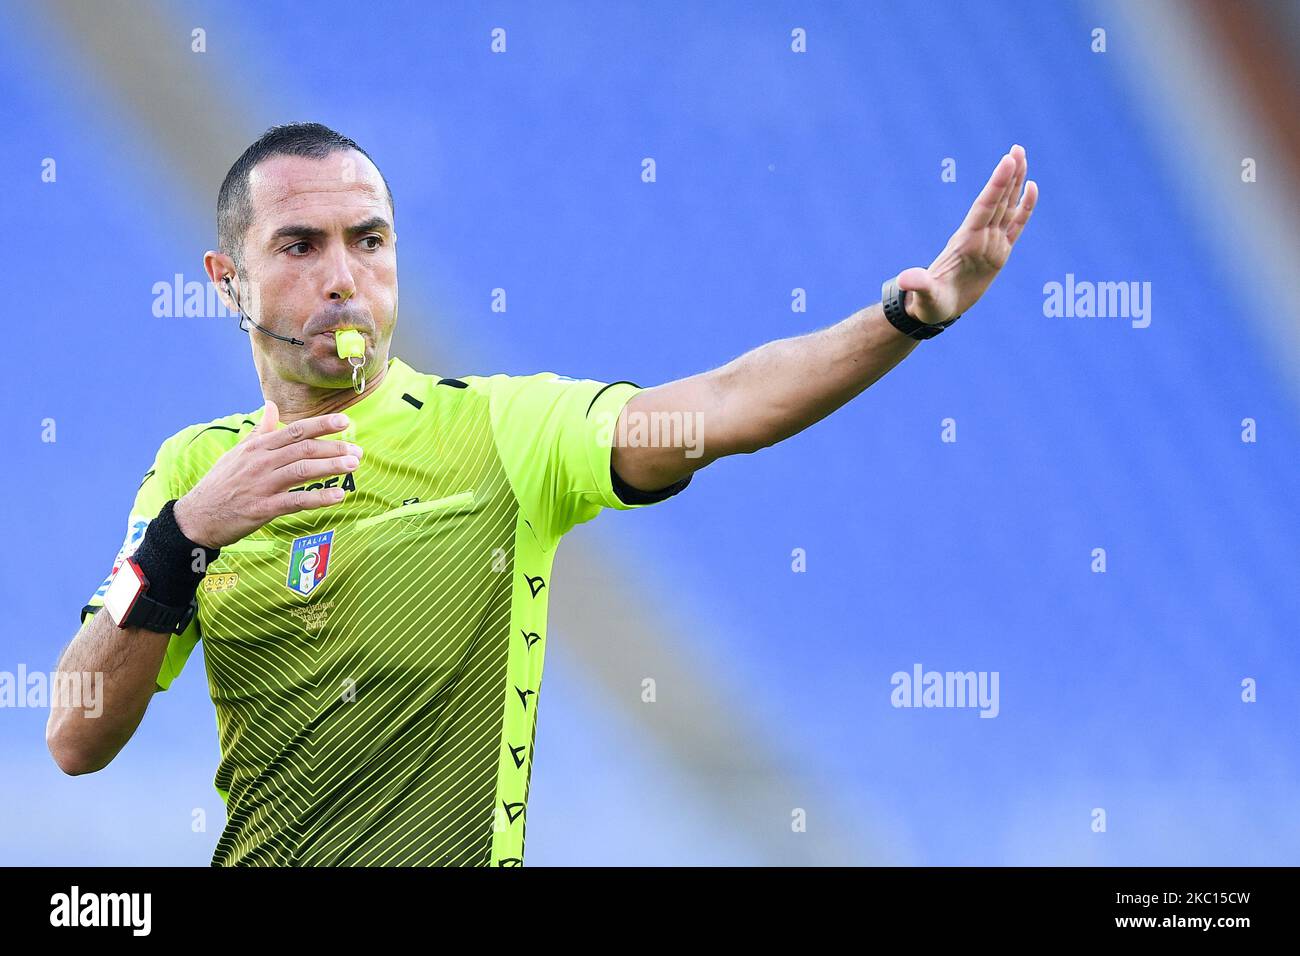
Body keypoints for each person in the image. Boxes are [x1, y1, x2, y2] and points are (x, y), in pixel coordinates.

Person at [46, 122, 1037, 866]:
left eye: (370, 239)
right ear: (228, 279)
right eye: (300, 245)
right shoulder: (192, 471)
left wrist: (905, 317)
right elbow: (76, 734)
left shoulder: (502, 431)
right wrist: (182, 540)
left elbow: (727, 404)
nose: (344, 277)